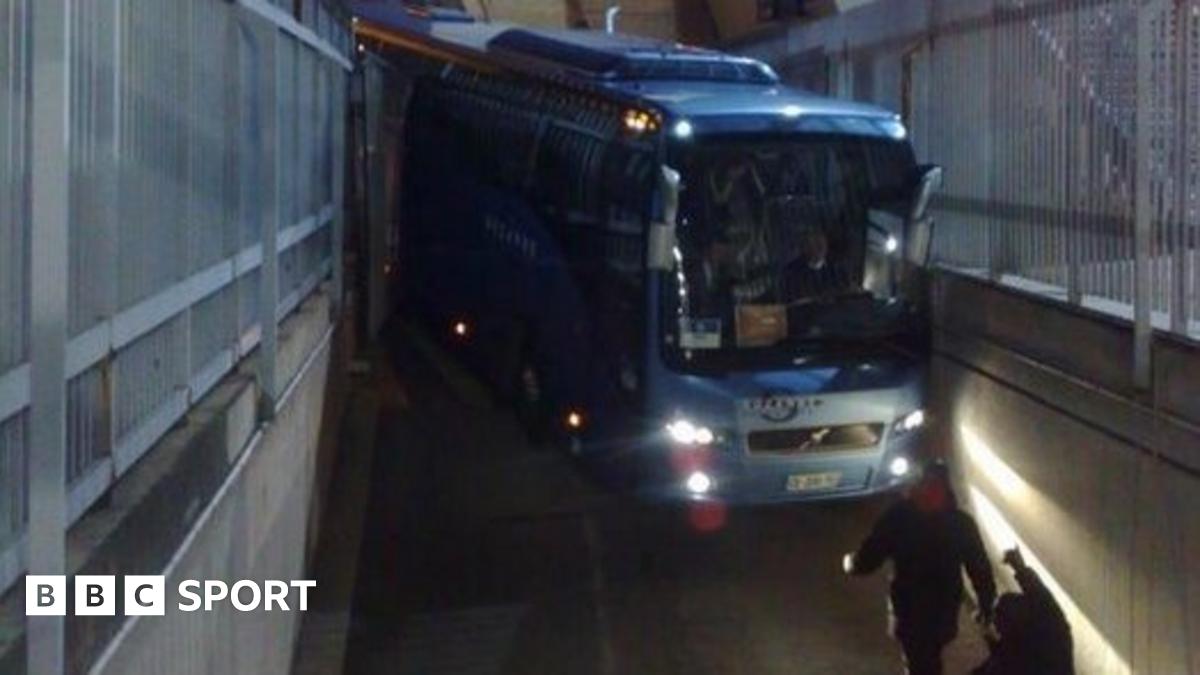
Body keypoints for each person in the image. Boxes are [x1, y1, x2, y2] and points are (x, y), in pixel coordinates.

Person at [843, 461, 996, 675]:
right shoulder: (961, 523)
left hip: (908, 610)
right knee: (930, 656)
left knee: (918, 662)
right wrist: (986, 605)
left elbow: (869, 558)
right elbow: (980, 568)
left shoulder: (898, 517)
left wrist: (851, 563)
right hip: (944, 612)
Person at [972, 547, 1074, 675]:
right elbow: (1044, 602)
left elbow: (1043, 602)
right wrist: (1020, 568)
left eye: (1000, 622)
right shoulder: (1052, 633)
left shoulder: (1049, 637)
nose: (998, 627)